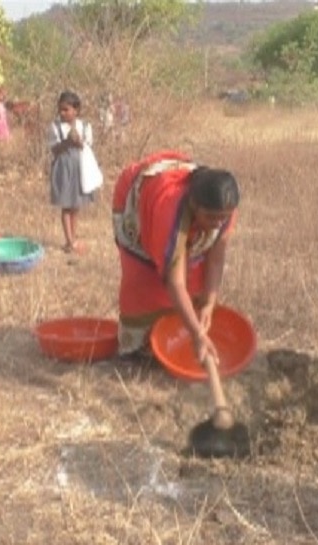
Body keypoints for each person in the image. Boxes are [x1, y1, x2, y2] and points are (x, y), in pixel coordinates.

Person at [111, 150, 239, 362]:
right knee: (146, 280)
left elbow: (215, 260)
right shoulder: (168, 212)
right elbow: (175, 283)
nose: (218, 223)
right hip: (138, 205)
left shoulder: (225, 206)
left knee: (194, 277)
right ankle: (139, 348)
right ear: (195, 206)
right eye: (210, 217)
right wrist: (197, 334)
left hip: (176, 196)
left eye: (222, 218)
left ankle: (181, 328)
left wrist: (209, 303)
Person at [48, 90, 95, 254]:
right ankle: (69, 240)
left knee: (76, 205)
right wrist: (67, 142)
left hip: (79, 169)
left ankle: (71, 239)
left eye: (66, 110)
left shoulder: (85, 126)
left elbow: (88, 147)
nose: (62, 113)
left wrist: (79, 142)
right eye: (60, 109)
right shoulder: (56, 127)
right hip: (64, 169)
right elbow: (54, 149)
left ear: (76, 110)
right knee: (66, 206)